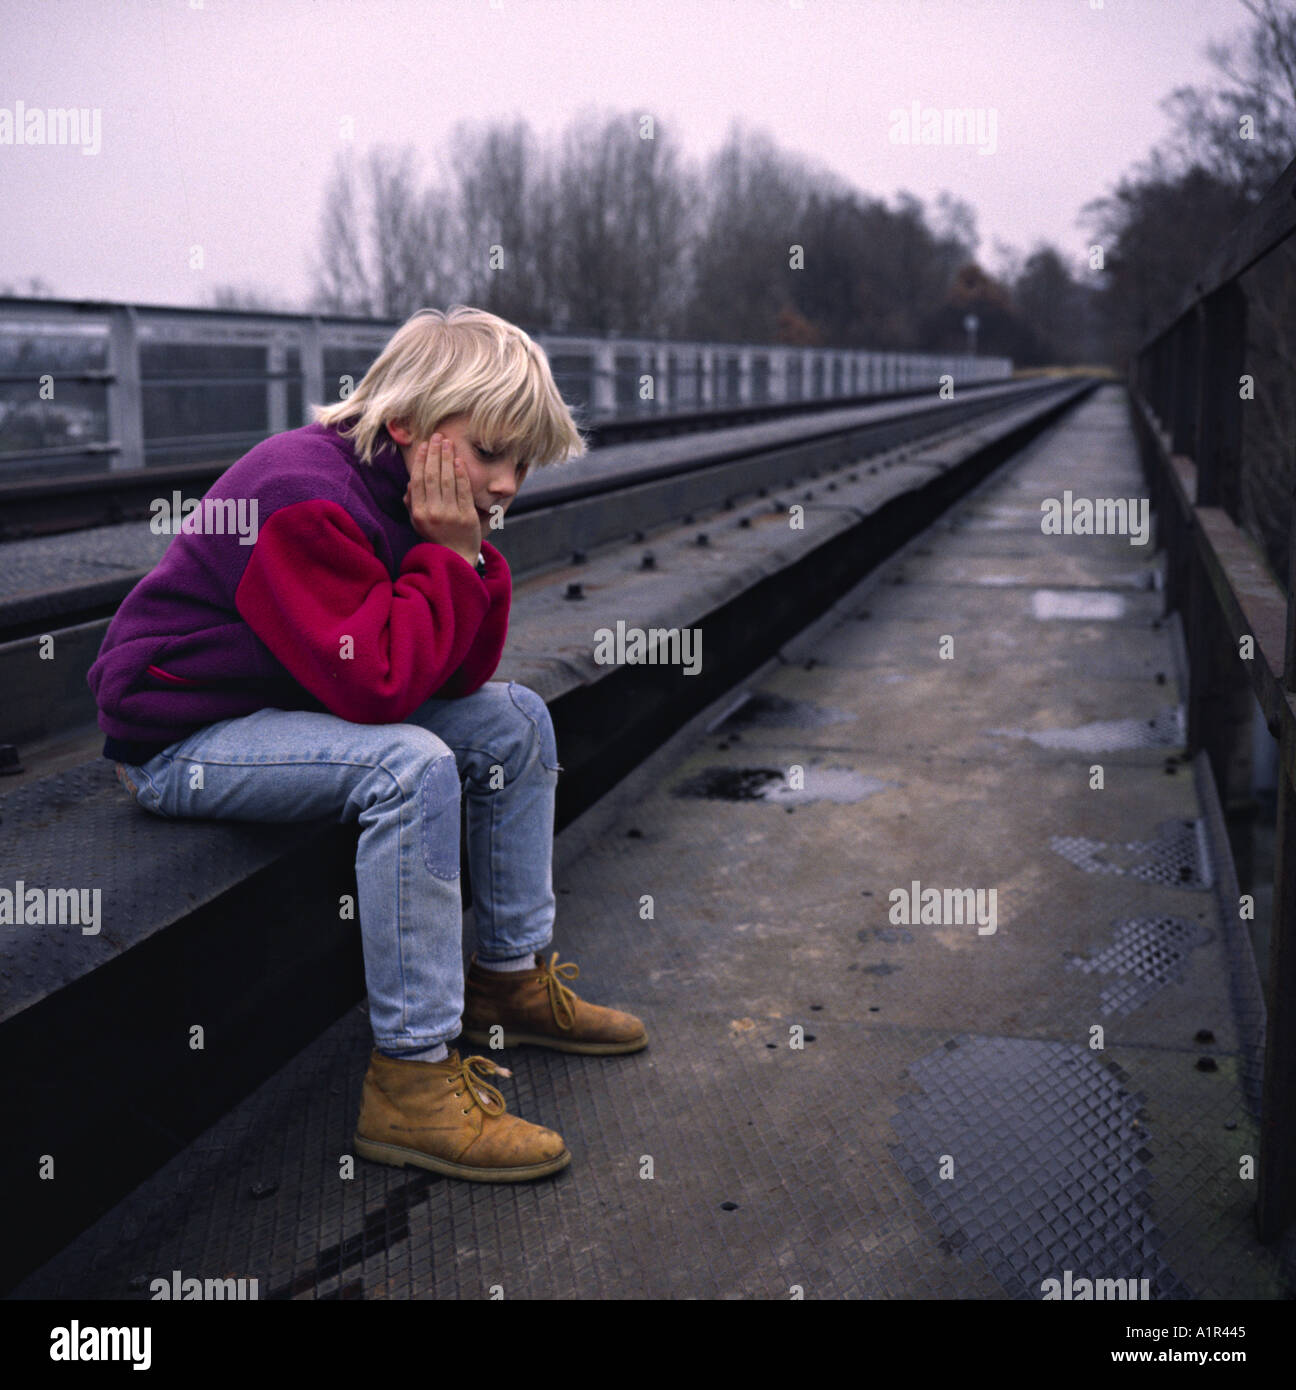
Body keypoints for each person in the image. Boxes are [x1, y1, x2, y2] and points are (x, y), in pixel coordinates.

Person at [89, 305, 647, 1184]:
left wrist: (459, 559)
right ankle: (410, 1083)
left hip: (288, 702)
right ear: (406, 426)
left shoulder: (410, 497)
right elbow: (378, 687)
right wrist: (451, 556)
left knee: (516, 720)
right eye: (492, 451)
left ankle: (507, 979)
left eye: (524, 463)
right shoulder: (299, 495)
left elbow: (456, 678)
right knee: (410, 766)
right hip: (184, 738)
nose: (507, 484)